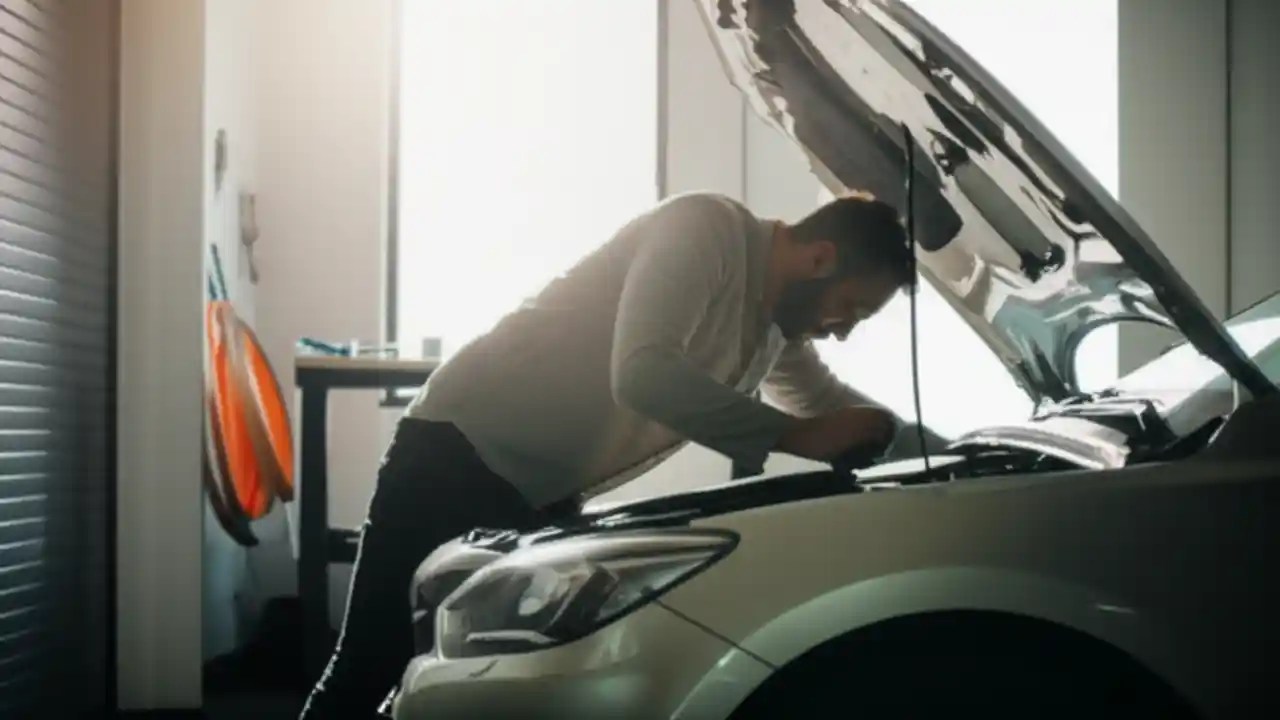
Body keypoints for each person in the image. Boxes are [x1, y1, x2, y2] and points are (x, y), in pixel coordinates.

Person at [300, 190, 921, 718]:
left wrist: (941, 448)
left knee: (478, 685)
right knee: (368, 668)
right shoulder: (705, 229)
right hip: (456, 449)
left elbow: (828, 404)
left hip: (542, 492)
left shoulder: (772, 329)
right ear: (820, 259)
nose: (845, 330)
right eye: (852, 308)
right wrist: (797, 437)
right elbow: (644, 373)